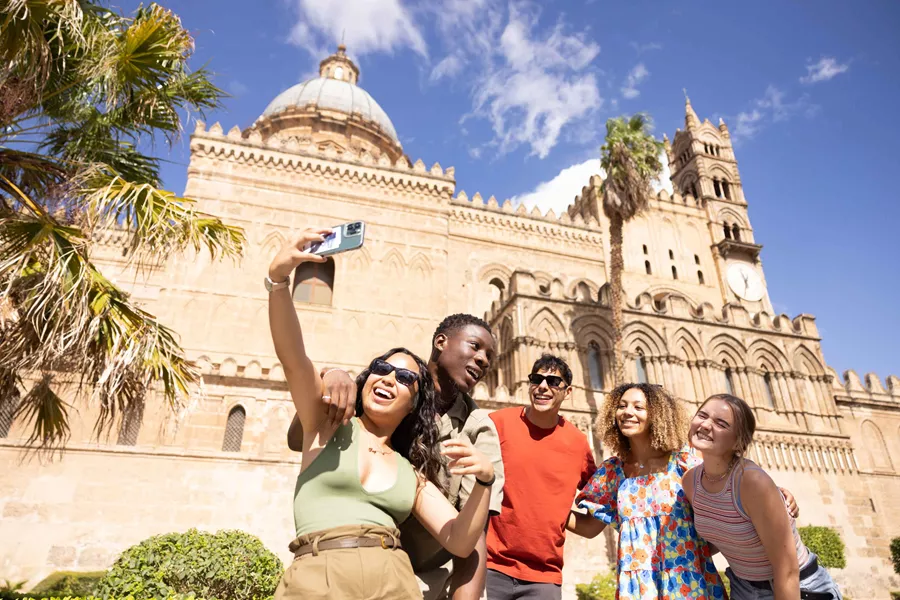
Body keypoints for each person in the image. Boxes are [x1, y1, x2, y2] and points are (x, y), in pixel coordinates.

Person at [268, 228, 496, 599]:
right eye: (381, 367)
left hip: (394, 583)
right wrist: (277, 282)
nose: (389, 377)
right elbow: (293, 358)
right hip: (316, 578)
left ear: (414, 403)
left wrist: (484, 483)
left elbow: (458, 540)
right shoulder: (325, 425)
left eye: (405, 377)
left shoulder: (411, 473)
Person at [286, 312, 505, 600]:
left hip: (414, 580)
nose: (484, 360)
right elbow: (299, 438)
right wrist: (330, 378)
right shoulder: (388, 386)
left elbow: (473, 535)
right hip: (338, 564)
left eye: (489, 355)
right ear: (441, 341)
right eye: (475, 347)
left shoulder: (478, 431)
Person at [684, 394, 842, 600]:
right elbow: (723, 536)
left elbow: (787, 571)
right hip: (744, 588)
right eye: (702, 415)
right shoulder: (690, 481)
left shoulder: (751, 482)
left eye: (721, 423)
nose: (705, 425)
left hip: (798, 589)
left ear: (738, 441)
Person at [576, 383, 726, 600]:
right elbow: (590, 527)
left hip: (686, 585)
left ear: (658, 414)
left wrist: (689, 554)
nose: (628, 412)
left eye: (639, 407)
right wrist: (545, 510)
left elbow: (726, 506)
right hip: (638, 589)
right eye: (622, 406)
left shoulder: (684, 464)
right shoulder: (612, 472)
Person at [485, 354, 601, 600]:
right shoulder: (499, 423)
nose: (543, 386)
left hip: (544, 578)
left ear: (567, 392)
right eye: (536, 379)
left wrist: (556, 515)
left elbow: (595, 520)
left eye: (553, 382)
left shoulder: (577, 444)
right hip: (489, 566)